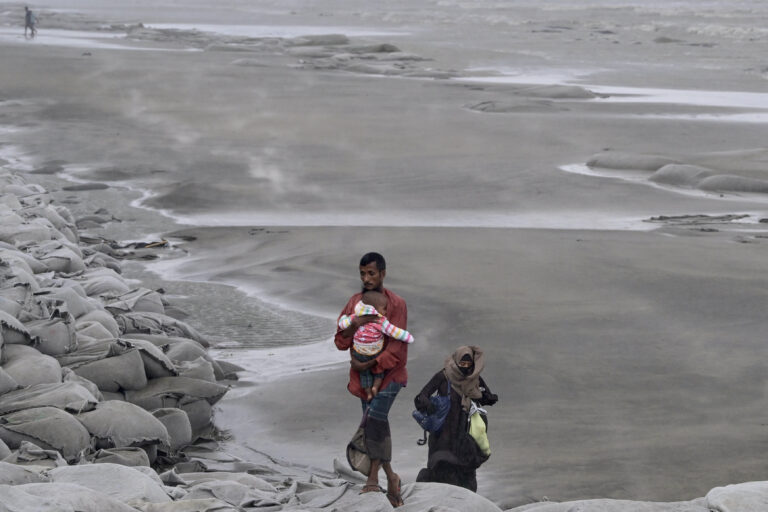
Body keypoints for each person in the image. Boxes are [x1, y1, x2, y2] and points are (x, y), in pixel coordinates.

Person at [335, 252, 408, 507]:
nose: (366, 279)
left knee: (375, 419)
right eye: (362, 274)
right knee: (372, 424)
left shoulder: (396, 304)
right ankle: (392, 477)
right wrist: (356, 323)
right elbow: (340, 341)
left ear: (383, 274)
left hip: (391, 374)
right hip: (363, 377)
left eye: (371, 273)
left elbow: (397, 349)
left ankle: (373, 478)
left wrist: (367, 364)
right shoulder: (355, 303)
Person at [413, 345, 498, 492]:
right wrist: (429, 406)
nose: (465, 367)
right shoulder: (443, 376)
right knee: (441, 464)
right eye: (462, 364)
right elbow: (422, 396)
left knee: (465, 468)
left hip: (464, 432)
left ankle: (462, 499)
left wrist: (488, 398)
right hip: (443, 433)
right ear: (456, 361)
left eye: (468, 364)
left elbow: (486, 398)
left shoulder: (475, 379)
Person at [338, 290, 414, 401]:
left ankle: (368, 392)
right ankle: (375, 387)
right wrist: (407, 337)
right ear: (374, 309)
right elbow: (393, 331)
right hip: (374, 352)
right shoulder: (380, 321)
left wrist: (343, 318)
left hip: (359, 353)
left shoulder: (355, 317)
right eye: (384, 308)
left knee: (364, 374)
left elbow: (342, 324)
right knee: (379, 370)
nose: (386, 311)